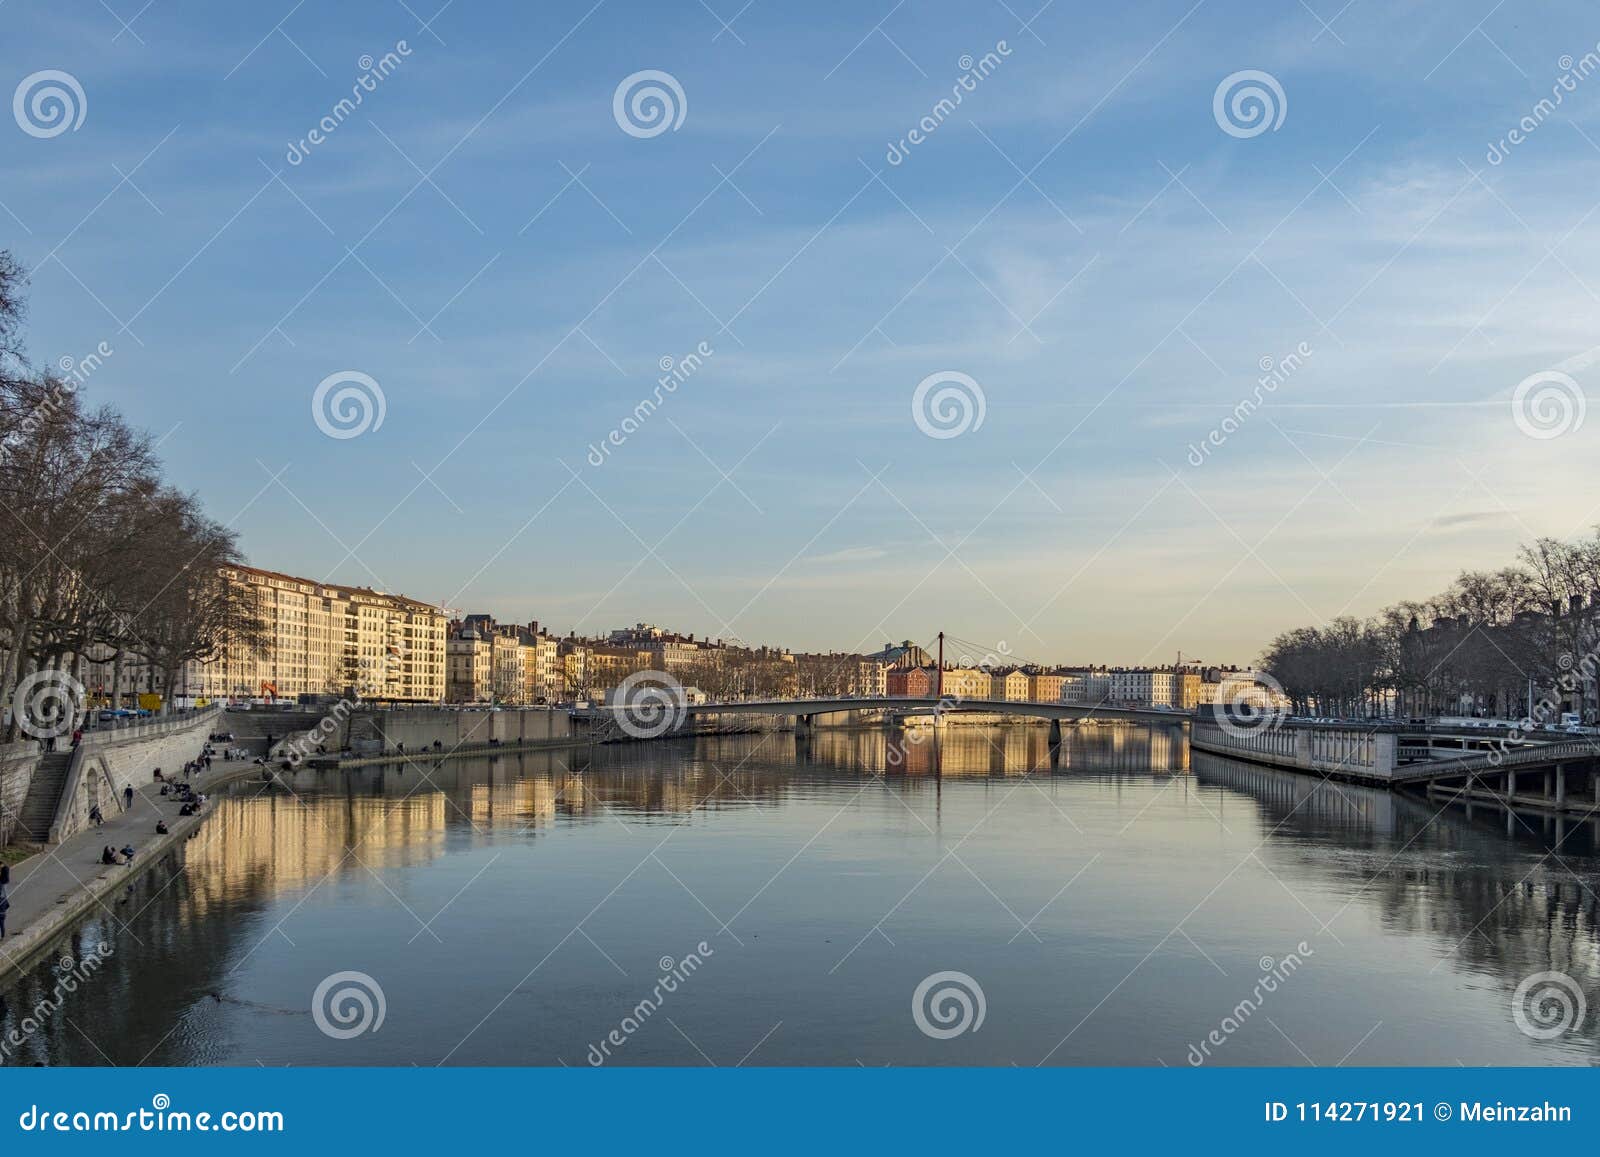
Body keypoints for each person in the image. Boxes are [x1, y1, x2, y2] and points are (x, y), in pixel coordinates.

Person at [0, 865, 10, 938]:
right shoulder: (3, 899)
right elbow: (7, 905)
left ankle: (2, 936)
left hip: (1, 914)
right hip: (3, 914)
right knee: (2, 925)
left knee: (1, 924)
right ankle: (2, 936)